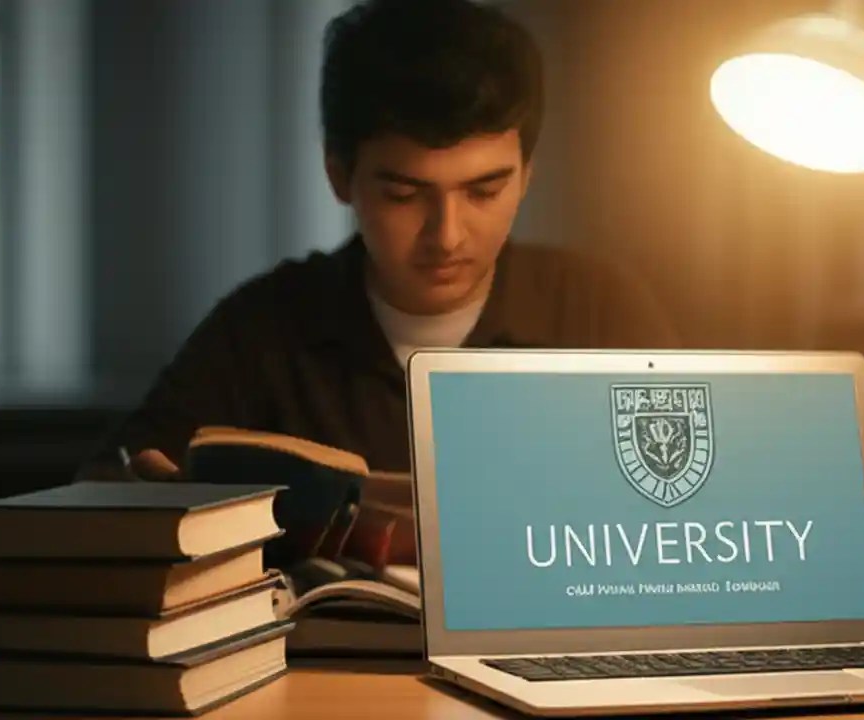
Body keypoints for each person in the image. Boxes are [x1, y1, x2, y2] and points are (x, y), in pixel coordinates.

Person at [80, 0, 678, 485]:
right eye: (403, 195)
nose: (446, 235)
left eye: (484, 191)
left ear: (527, 176)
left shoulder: (601, 310)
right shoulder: (262, 330)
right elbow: (112, 486)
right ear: (339, 175)